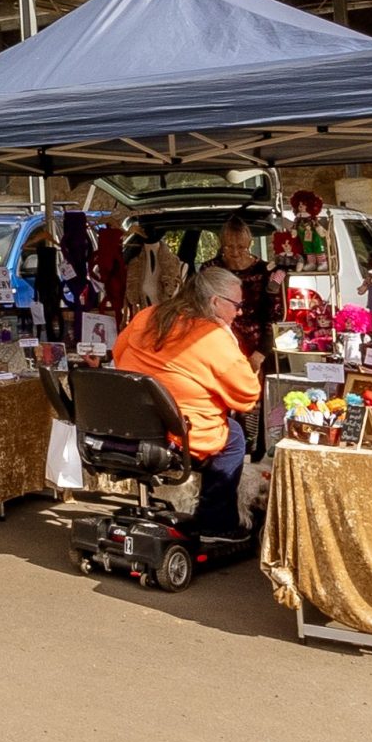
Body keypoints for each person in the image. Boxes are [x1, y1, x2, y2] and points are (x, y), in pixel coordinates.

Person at [109, 265, 262, 534]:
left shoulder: (148, 315)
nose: (239, 312)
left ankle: (160, 504)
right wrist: (231, 342)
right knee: (234, 435)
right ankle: (216, 524)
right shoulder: (213, 335)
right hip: (178, 433)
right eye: (236, 305)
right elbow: (248, 394)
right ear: (215, 302)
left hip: (128, 425)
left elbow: (118, 354)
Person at [203, 218, 274, 369]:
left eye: (241, 247)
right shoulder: (210, 269)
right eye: (229, 247)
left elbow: (274, 315)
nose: (235, 252)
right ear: (221, 245)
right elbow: (201, 307)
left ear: (249, 244)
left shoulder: (265, 270)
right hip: (217, 343)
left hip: (256, 346)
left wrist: (259, 355)